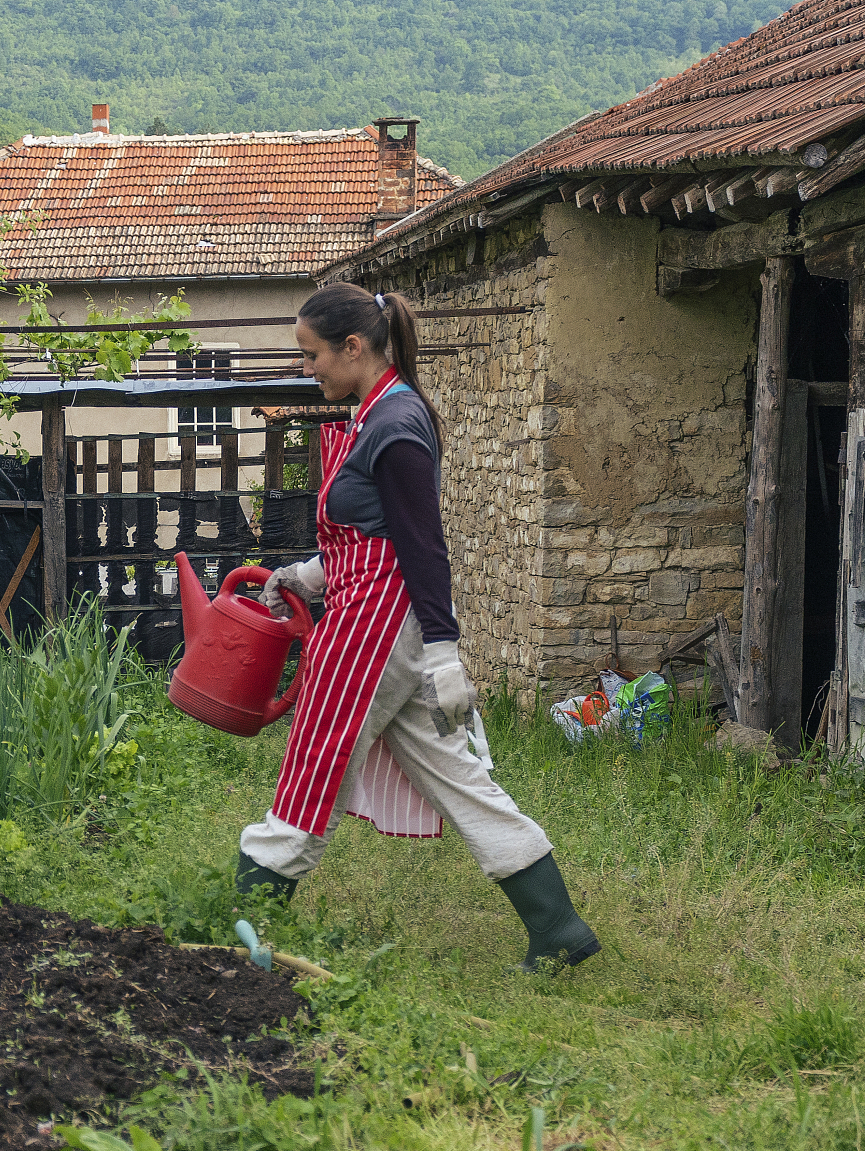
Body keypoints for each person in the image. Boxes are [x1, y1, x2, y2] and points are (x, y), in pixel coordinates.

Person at [236, 282, 600, 971]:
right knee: (457, 775)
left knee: (314, 764)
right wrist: (309, 574)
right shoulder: (377, 414)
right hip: (373, 616)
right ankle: (558, 930)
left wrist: (442, 652)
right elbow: (371, 529)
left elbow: (424, 544)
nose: (305, 368)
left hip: (377, 630)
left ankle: (242, 927)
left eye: (311, 354)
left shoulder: (396, 425)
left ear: (353, 347)